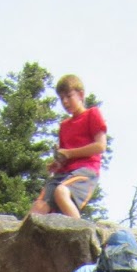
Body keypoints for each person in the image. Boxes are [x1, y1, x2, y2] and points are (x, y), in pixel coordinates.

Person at [29, 75, 106, 219]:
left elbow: (100, 146)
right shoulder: (64, 125)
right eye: (61, 98)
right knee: (39, 206)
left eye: (69, 96)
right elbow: (66, 154)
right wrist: (58, 163)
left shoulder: (92, 114)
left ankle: (80, 231)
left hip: (85, 170)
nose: (65, 101)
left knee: (61, 192)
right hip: (64, 172)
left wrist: (69, 153)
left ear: (81, 95)